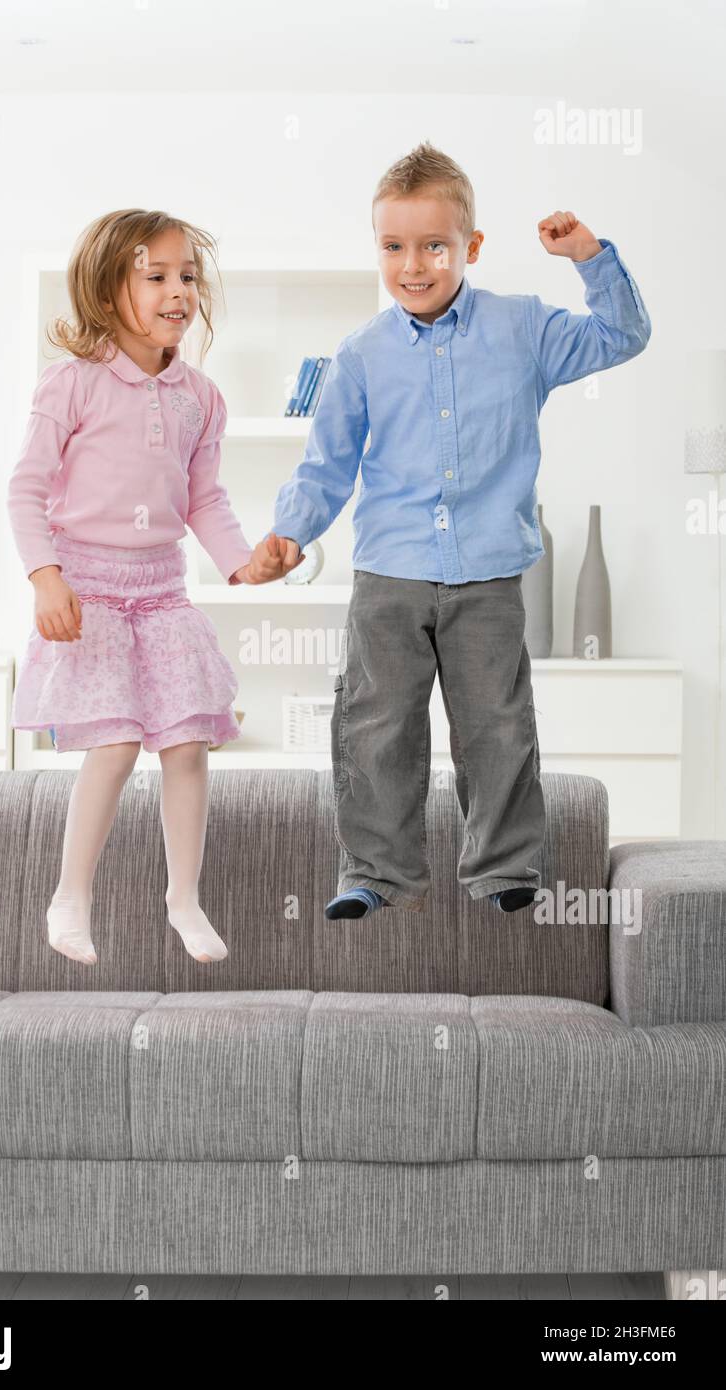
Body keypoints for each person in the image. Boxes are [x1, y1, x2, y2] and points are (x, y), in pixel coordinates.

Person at [255, 141, 652, 920]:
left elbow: (623, 336)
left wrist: (590, 257)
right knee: (375, 727)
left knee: (497, 727)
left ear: (470, 247)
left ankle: (505, 867)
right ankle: (374, 870)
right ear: (377, 249)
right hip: (390, 576)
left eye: (434, 246)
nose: (414, 264)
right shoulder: (361, 355)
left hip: (490, 574)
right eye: (394, 247)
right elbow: (328, 464)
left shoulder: (523, 329)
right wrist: (290, 534)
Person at [8, 209, 280, 966]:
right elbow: (26, 490)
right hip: (87, 592)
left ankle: (184, 899)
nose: (177, 291)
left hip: (162, 594)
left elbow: (203, 500)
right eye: (155, 275)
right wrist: (46, 579)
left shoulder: (201, 398)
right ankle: (71, 896)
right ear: (105, 289)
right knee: (119, 745)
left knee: (187, 743)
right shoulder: (71, 385)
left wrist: (241, 562)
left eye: (187, 276)